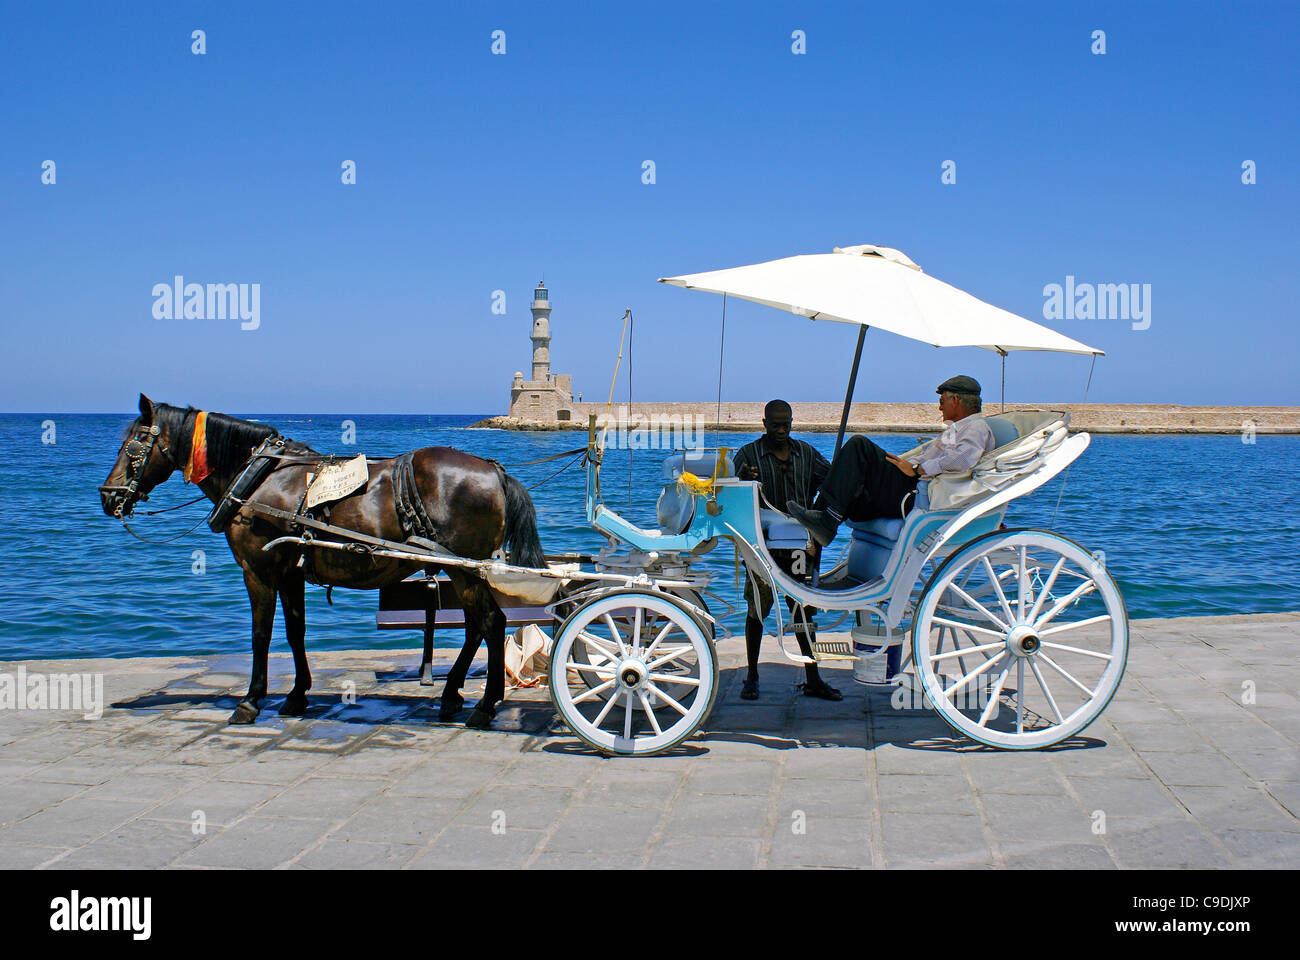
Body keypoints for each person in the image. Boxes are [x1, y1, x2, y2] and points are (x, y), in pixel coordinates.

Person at [787, 376, 995, 547]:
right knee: (848, 478)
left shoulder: (976, 427)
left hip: (913, 494)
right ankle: (822, 521)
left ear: (955, 400)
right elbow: (935, 455)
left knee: (859, 446)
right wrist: (903, 462)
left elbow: (963, 459)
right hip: (907, 487)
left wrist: (916, 468)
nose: (940, 408)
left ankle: (826, 521)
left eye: (942, 402)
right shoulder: (955, 430)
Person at [733, 399, 841, 702]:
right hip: (763, 548)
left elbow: (832, 484)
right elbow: (731, 493)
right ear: (764, 423)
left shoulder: (806, 453)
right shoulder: (749, 454)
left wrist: (820, 525)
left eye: (786, 424)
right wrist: (746, 482)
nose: (782, 430)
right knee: (757, 608)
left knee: (803, 608)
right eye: (776, 424)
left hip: (798, 549)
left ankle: (813, 677)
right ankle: (751, 676)